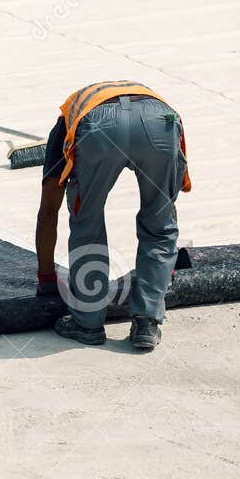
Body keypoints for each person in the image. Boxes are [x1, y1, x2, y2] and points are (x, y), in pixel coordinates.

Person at [36, 80, 190, 350]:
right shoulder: (90, 105)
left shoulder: (66, 121)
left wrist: (47, 278)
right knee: (160, 223)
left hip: (99, 126)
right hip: (160, 120)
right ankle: (147, 323)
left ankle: (88, 324)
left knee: (88, 222)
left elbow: (49, 210)